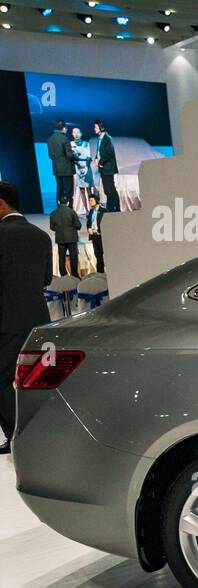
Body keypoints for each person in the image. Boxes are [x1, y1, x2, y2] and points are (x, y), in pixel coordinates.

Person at [0, 181, 54, 455]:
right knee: (35, 382)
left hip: (6, 321)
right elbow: (46, 278)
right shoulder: (41, 235)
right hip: (38, 320)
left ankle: (19, 438)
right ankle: (42, 434)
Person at [49, 197, 82, 278]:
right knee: (73, 257)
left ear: (58, 202)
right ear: (68, 203)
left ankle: (64, 276)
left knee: (61, 258)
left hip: (60, 238)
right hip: (72, 238)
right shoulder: (71, 212)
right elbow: (78, 225)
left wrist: (59, 229)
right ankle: (75, 275)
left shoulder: (53, 213)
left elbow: (52, 227)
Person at [45, 121, 75, 209]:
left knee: (59, 190)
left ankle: (59, 210)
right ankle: (69, 211)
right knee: (69, 192)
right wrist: (76, 156)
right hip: (67, 170)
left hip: (57, 169)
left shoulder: (50, 139)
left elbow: (50, 155)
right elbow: (69, 155)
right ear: (64, 128)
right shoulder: (65, 139)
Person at [92, 120, 120, 213]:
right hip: (103, 168)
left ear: (101, 128)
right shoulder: (99, 139)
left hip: (108, 168)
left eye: (96, 127)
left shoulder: (107, 138)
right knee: (107, 189)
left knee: (111, 189)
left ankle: (116, 208)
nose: (94, 129)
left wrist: (100, 162)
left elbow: (109, 153)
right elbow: (99, 152)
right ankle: (110, 207)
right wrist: (96, 158)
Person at [70, 126, 93, 213]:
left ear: (81, 134)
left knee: (89, 189)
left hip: (86, 168)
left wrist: (85, 167)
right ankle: (86, 210)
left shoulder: (86, 144)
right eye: (74, 132)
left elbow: (88, 156)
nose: (76, 134)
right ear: (72, 134)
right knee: (82, 190)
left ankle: (92, 208)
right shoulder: (71, 144)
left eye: (78, 132)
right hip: (77, 169)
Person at [86, 194, 105, 273]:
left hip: (101, 236)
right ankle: (100, 273)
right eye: (89, 201)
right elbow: (89, 222)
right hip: (94, 236)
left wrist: (100, 231)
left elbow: (106, 222)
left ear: (96, 200)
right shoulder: (91, 211)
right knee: (97, 255)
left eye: (91, 200)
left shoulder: (103, 211)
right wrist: (89, 228)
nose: (90, 202)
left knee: (104, 254)